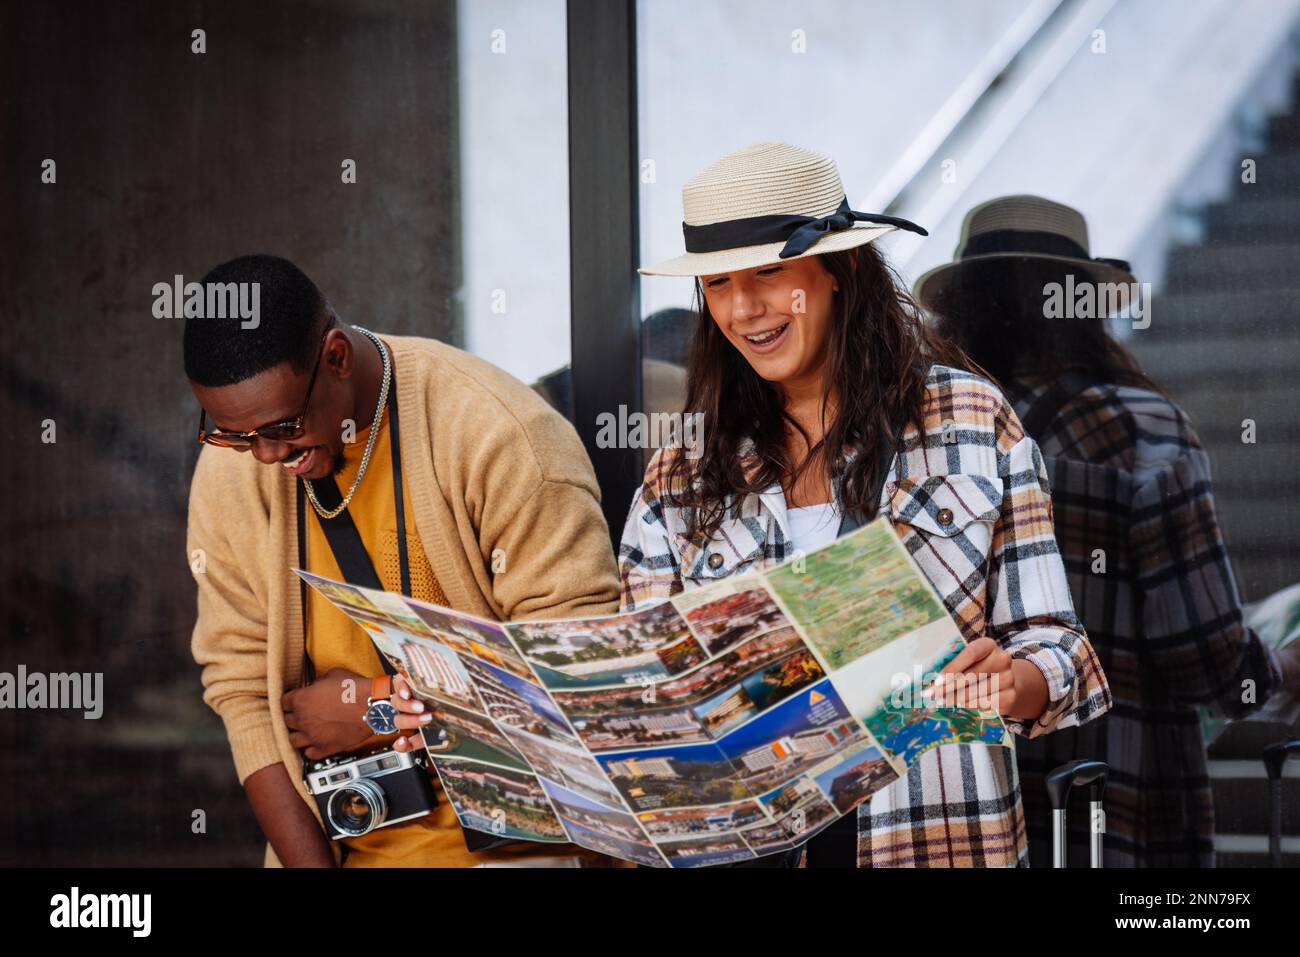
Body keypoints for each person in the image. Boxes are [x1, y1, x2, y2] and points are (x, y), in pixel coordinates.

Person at [619, 142, 1112, 867]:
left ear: (839, 268)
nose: (744, 307)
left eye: (767, 271)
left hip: (932, 841)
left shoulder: (971, 420)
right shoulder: (678, 477)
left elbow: (1059, 643)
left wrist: (1016, 682)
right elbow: (642, 696)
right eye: (718, 282)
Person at [184, 254, 621, 867]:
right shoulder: (236, 463)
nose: (264, 455)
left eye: (285, 426)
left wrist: (379, 706)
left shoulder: (499, 434)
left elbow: (580, 678)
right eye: (235, 434)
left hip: (521, 851)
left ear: (336, 357)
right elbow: (241, 690)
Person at [916, 195, 1300, 866]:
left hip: (958, 818)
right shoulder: (1140, 430)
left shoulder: (923, 437)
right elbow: (1202, 652)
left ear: (960, 310)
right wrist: (1280, 670)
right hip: (1114, 814)